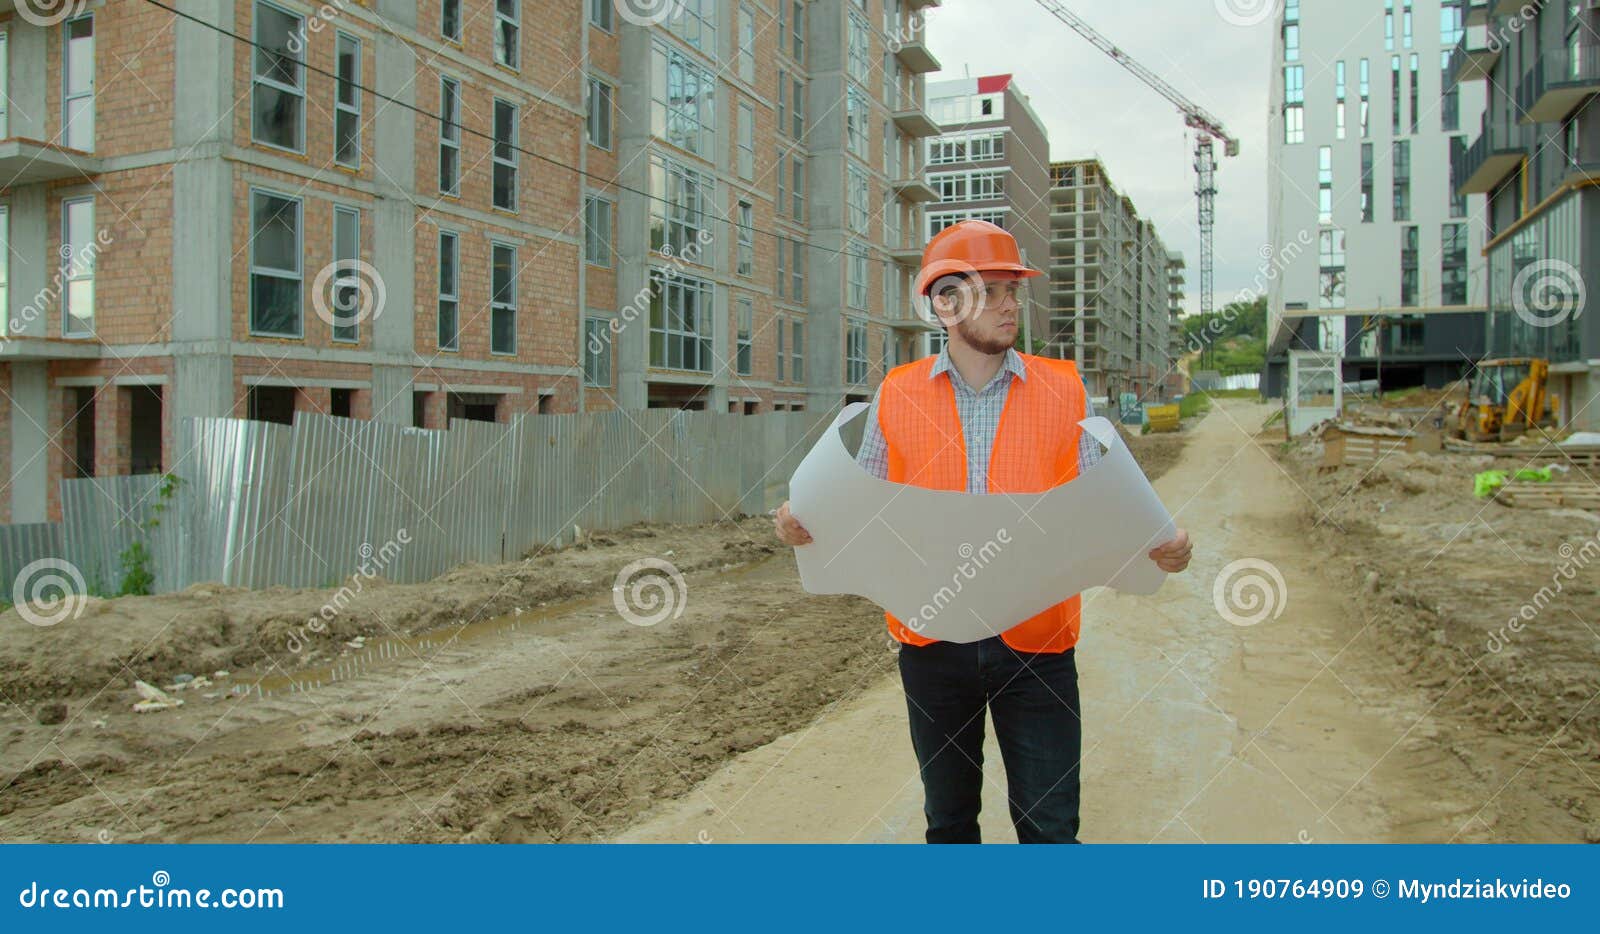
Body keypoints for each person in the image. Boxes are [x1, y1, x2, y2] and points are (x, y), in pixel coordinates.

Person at [774, 220, 1193, 843]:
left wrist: (1159, 545)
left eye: (1012, 291)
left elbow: (1100, 504)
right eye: (991, 291)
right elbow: (863, 505)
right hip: (932, 643)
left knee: (1050, 829)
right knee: (949, 828)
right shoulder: (898, 393)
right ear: (945, 304)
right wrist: (802, 522)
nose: (1009, 305)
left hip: (1038, 644)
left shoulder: (1062, 388)